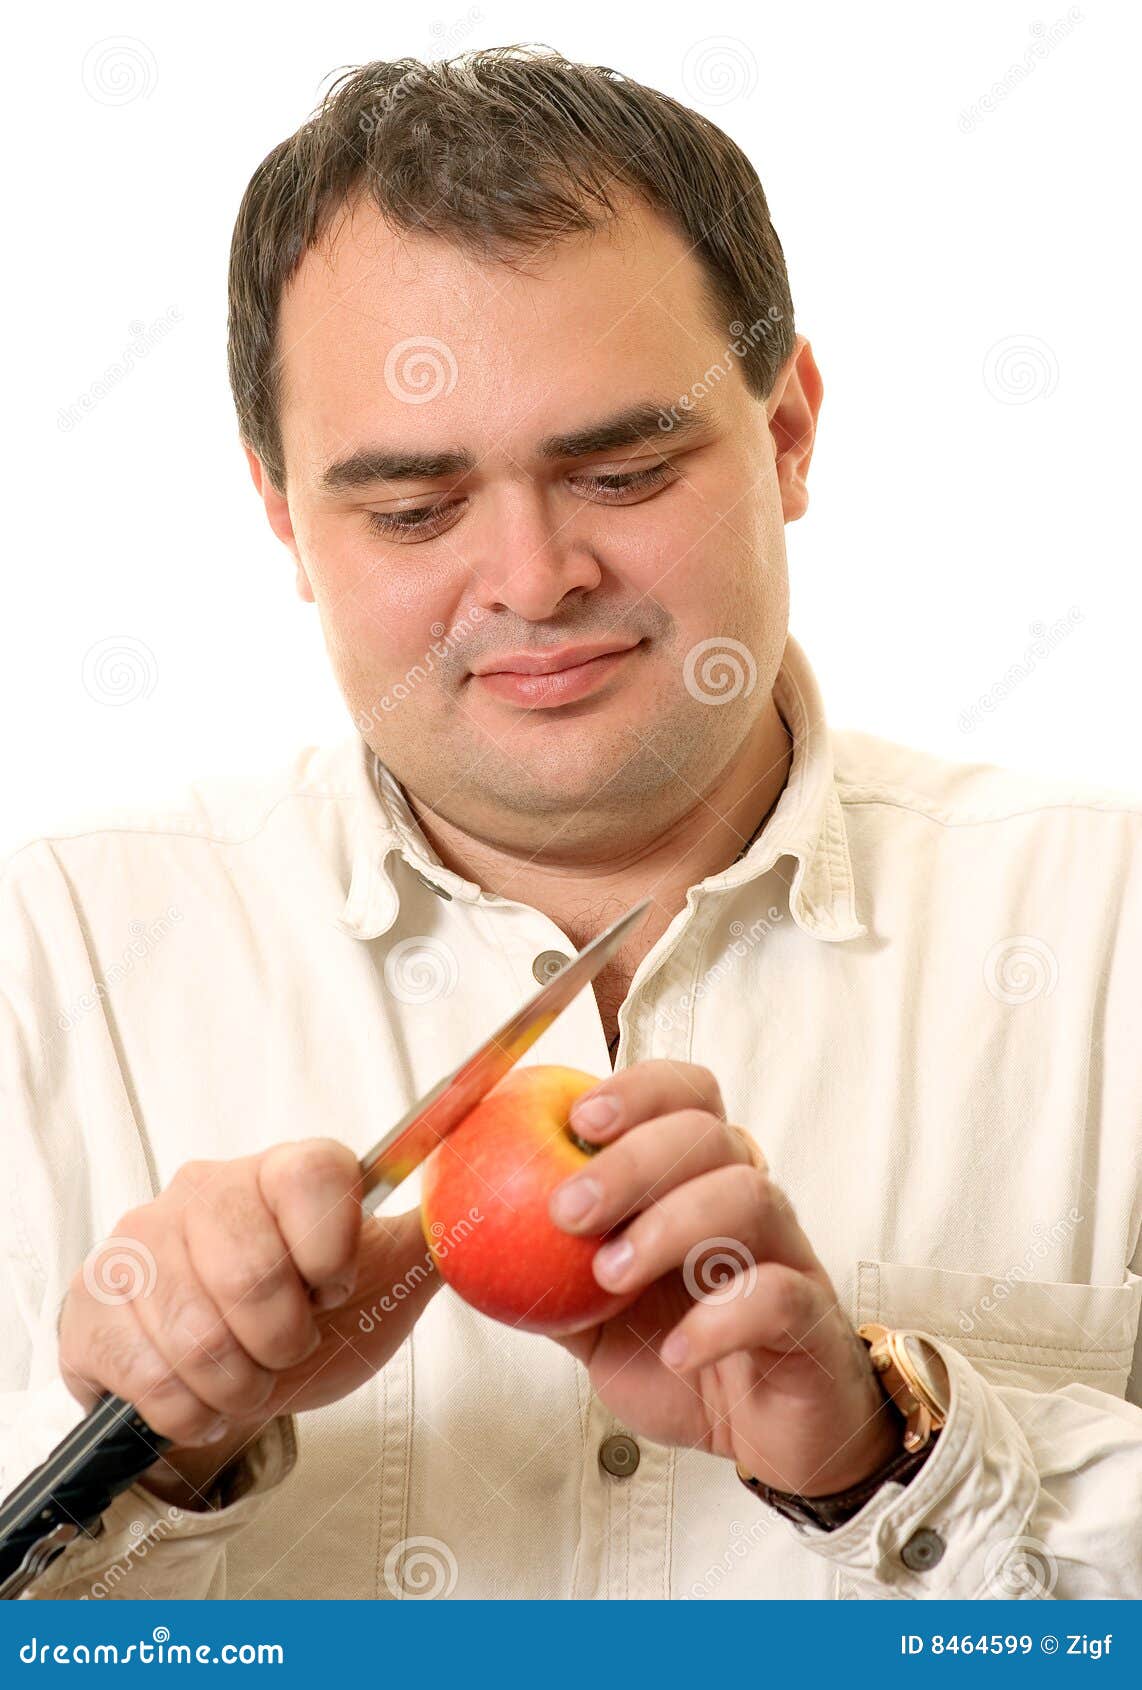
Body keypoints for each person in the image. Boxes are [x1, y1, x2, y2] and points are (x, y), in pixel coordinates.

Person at [3, 45, 1140, 1602]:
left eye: (620, 467)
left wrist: (895, 1456)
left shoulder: (1108, 937)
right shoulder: (43, 966)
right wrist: (143, 1453)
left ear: (788, 430)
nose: (533, 579)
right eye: (411, 508)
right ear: (280, 513)